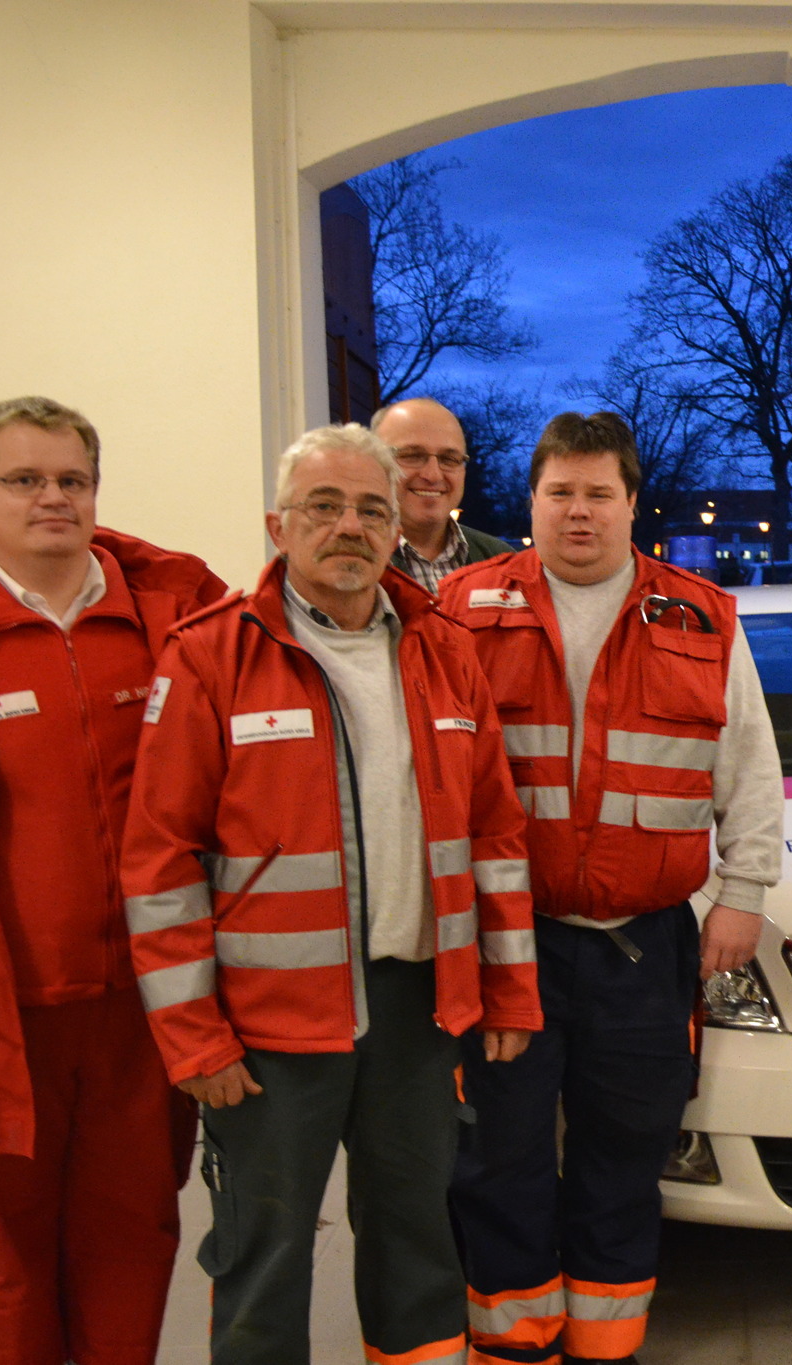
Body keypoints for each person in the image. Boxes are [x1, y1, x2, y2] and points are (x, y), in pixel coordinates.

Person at [121, 422, 541, 1365]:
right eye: (324, 505)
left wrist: (510, 991)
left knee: (417, 1243)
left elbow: (495, 838)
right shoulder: (209, 656)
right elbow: (160, 864)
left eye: (370, 510)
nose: (349, 526)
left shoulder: (444, 650)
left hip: (417, 1014)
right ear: (279, 525)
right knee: (264, 1254)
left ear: (396, 529)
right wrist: (194, 1039)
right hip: (269, 1028)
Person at [0, 395, 224, 1365]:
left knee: (129, 1244)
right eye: (24, 479)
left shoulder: (174, 617)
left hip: (140, 1015)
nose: (52, 497)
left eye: (72, 479)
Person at [441, 411, 783, 1365]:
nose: (579, 512)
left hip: (645, 945)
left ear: (633, 504)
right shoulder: (461, 609)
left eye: (599, 493)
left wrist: (745, 890)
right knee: (499, 1158)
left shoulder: (701, 616)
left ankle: (604, 1347)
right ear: (530, 502)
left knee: (625, 1160)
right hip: (506, 943)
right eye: (560, 493)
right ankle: (514, 1349)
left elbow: (750, 764)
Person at [373, 397, 514, 590]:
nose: (433, 475)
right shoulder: (351, 556)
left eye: (449, 459)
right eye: (412, 456)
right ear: (373, 463)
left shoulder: (503, 562)